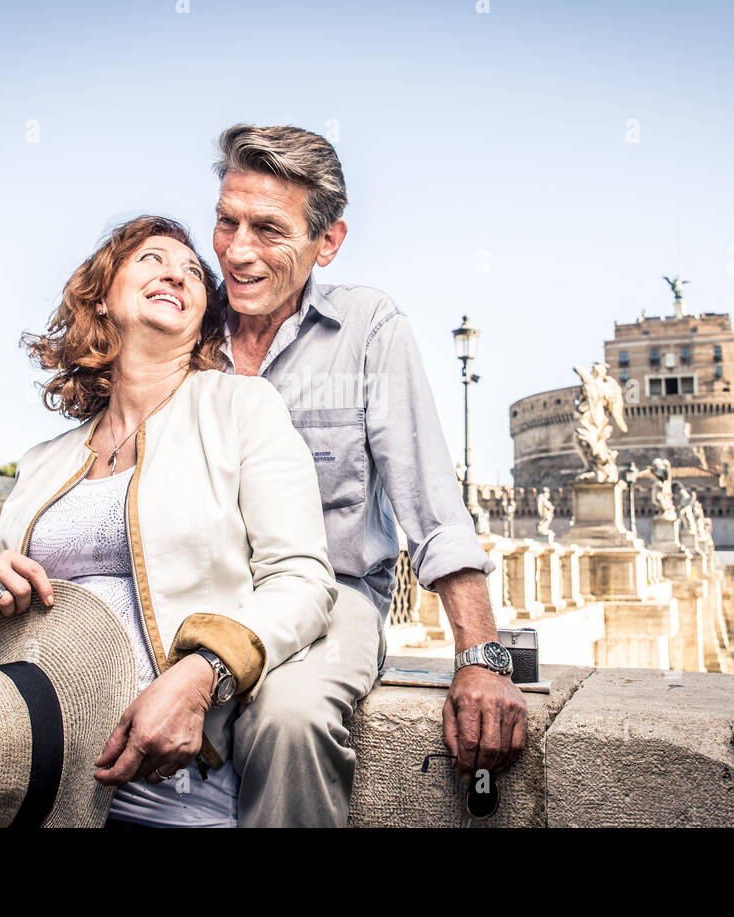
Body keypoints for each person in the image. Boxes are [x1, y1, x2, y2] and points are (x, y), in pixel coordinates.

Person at [0, 214, 337, 827]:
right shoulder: (42, 461)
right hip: (26, 776)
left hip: (168, 785)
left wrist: (201, 675)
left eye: (193, 271)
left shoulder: (243, 408)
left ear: (203, 320)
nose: (177, 273)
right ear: (101, 298)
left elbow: (302, 580)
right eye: (152, 259)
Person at [210, 124, 529, 827]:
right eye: (226, 221)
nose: (237, 250)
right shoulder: (190, 325)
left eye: (268, 228)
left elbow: (432, 505)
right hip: (199, 596)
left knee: (288, 720)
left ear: (328, 242)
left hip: (333, 595)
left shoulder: (368, 327)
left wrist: (481, 656)